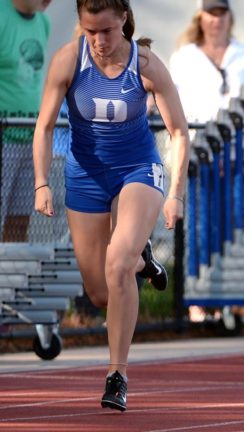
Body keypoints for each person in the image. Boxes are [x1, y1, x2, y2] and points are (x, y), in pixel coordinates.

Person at [32, 0, 189, 412]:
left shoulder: (147, 64)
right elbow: (45, 126)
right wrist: (42, 182)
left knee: (117, 262)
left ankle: (116, 374)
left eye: (106, 30)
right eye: (90, 31)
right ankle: (144, 260)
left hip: (138, 170)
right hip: (86, 176)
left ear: (123, 20)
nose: (99, 41)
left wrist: (176, 193)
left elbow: (179, 132)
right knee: (101, 293)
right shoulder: (69, 60)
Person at [0, 0, 51, 242]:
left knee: (19, 222)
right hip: (3, 140)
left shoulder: (44, 22)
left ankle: (11, 280)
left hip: (30, 140)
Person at [169, 0, 244, 124]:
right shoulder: (183, 57)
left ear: (230, 17)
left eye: (222, 13)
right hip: (195, 135)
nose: (217, 19)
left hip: (239, 136)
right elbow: (169, 99)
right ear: (200, 18)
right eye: (212, 13)